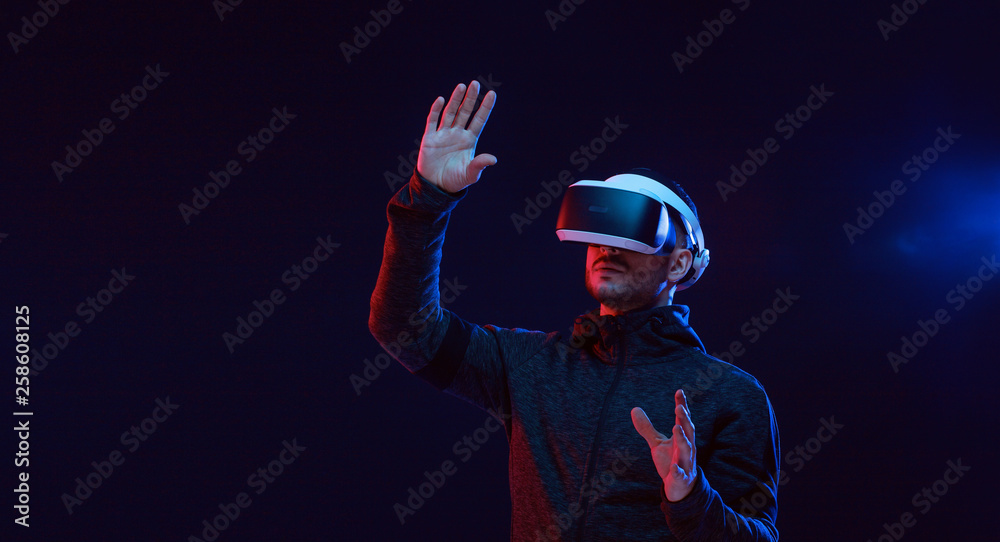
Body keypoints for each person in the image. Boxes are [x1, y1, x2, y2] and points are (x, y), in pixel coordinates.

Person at [369, 80, 780, 541]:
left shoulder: (731, 395)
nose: (609, 247)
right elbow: (402, 327)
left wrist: (689, 496)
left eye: (633, 230)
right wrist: (427, 198)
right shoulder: (531, 365)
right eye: (600, 230)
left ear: (680, 262)